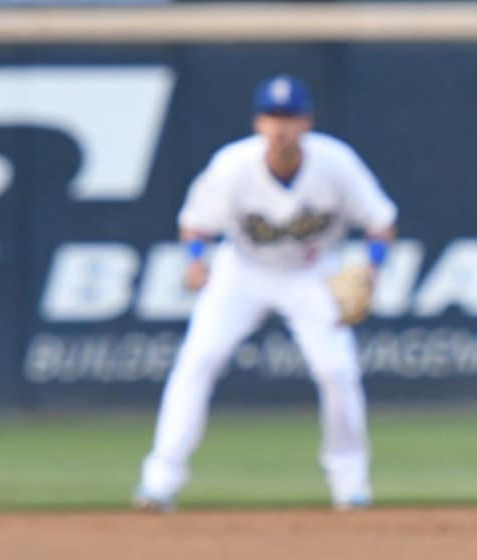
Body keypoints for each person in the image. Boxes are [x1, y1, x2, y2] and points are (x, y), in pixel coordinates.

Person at [134, 73, 397, 512]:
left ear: (306, 122)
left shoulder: (335, 163)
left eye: (290, 117)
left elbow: (380, 222)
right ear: (258, 123)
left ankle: (350, 485)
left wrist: (372, 269)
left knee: (337, 372)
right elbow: (195, 224)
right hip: (243, 272)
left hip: (312, 273)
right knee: (197, 362)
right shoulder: (233, 165)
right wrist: (197, 260)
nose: (280, 127)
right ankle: (159, 482)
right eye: (272, 116)